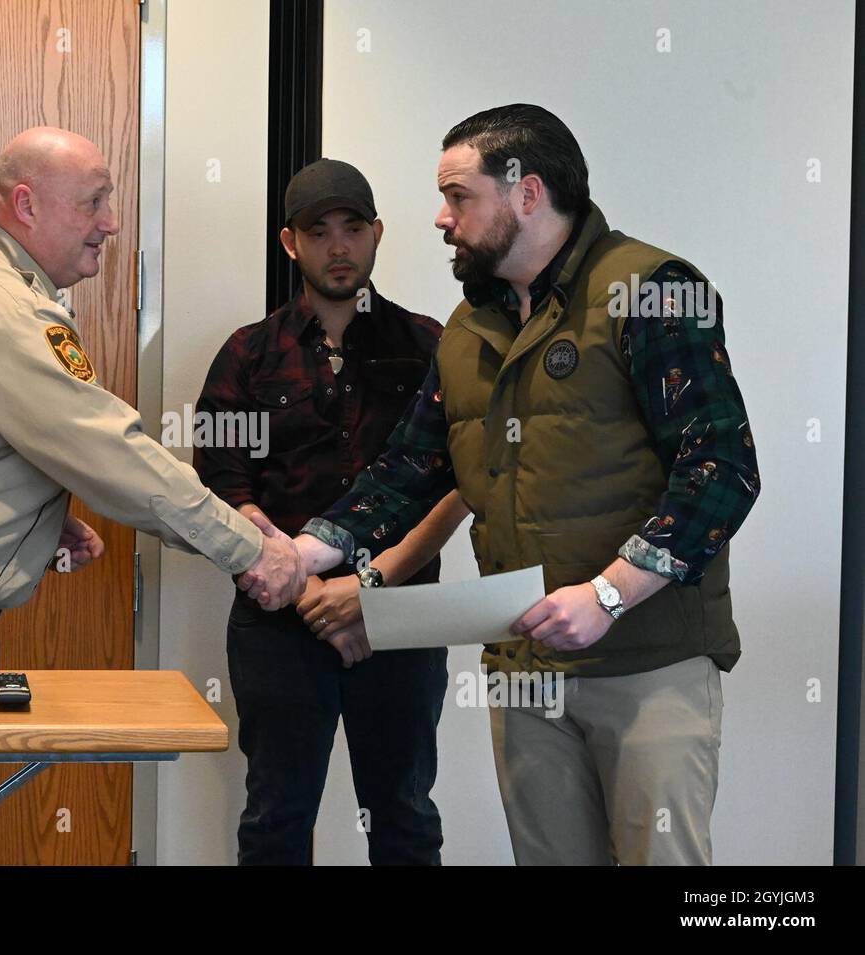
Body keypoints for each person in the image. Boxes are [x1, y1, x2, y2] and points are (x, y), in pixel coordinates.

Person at [273, 105, 761, 865]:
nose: (441, 218)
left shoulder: (652, 290)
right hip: (526, 672)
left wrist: (607, 596)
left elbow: (720, 469)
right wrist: (308, 550)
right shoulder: (469, 329)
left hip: (647, 665)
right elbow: (408, 468)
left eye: (458, 196)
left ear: (527, 193)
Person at [0, 126, 304, 863]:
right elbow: (110, 451)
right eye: (95, 202)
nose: (111, 222)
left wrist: (40, 511)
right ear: (26, 204)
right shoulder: (0, 304)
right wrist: (248, 550)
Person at [196, 158, 470, 865]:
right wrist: (314, 593)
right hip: (278, 624)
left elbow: (457, 481)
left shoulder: (430, 346)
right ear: (291, 243)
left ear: (379, 234)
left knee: (405, 815)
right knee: (276, 819)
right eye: (320, 232)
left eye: (354, 228)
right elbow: (222, 490)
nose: (339, 246)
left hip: (400, 615)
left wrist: (369, 593)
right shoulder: (247, 356)